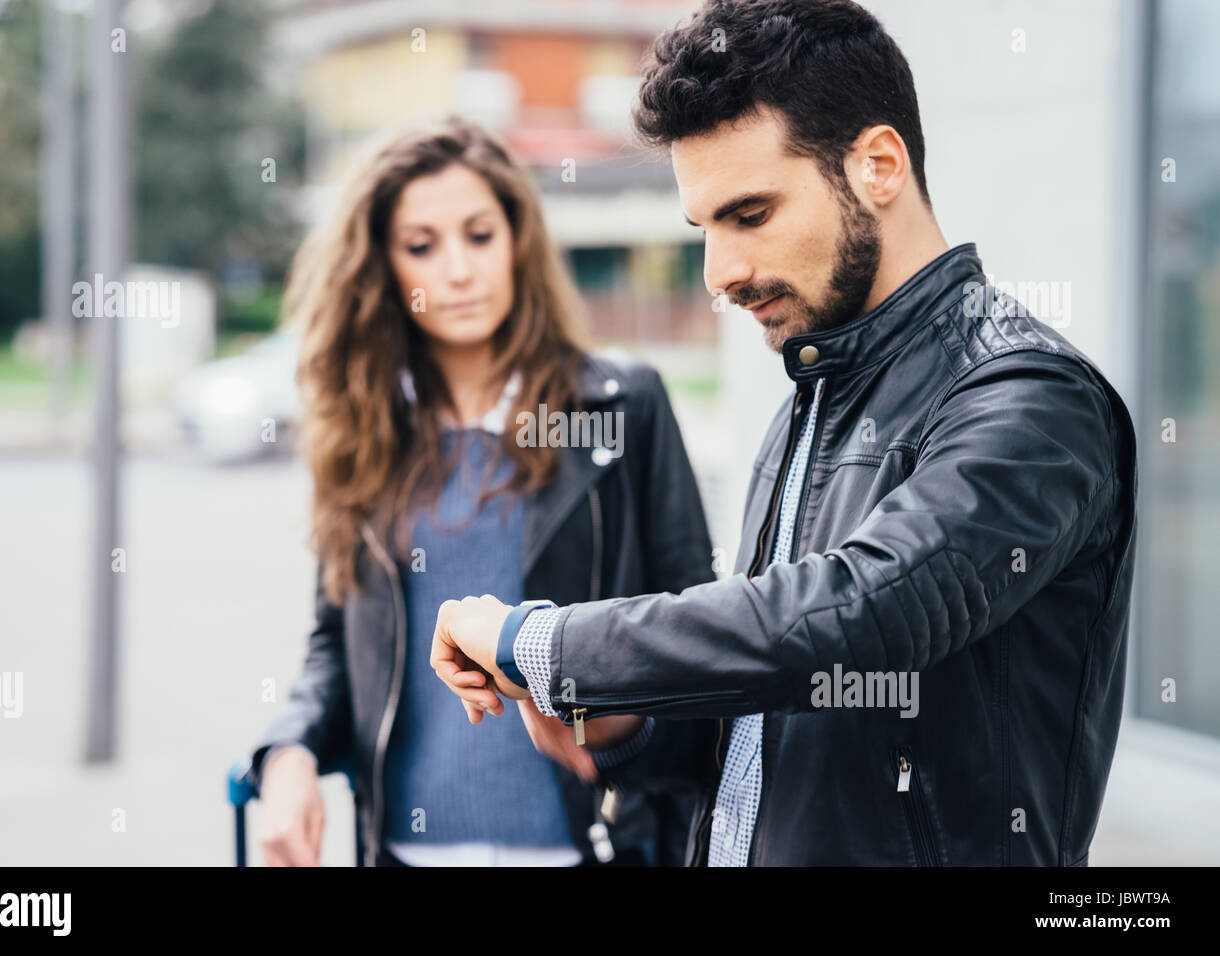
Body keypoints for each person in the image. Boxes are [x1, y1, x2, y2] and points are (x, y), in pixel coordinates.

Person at [432, 0, 1138, 866]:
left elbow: (865, 614)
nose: (719, 274)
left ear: (879, 165)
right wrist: (626, 728)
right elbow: (777, 724)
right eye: (705, 229)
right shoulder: (808, 402)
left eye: (750, 214)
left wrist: (542, 640)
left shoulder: (1031, 397)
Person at [247, 116, 713, 867]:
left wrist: (621, 737)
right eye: (422, 246)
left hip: (595, 845)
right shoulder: (362, 430)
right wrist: (289, 752)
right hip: (405, 850)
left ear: (518, 242)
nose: (458, 270)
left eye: (480, 234)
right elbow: (338, 642)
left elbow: (695, 643)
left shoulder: (621, 407)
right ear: (383, 267)